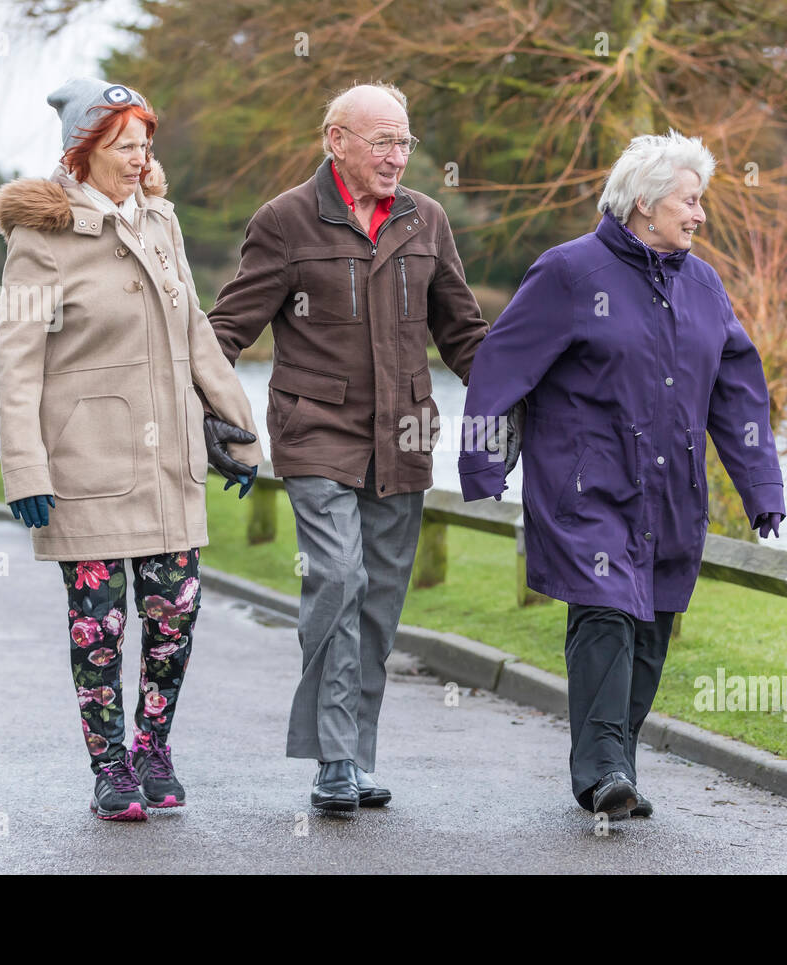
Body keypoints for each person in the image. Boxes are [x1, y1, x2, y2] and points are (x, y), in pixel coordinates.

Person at [458, 131, 786, 821]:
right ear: (644, 201)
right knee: (606, 611)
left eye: (702, 202)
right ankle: (603, 769)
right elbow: (501, 367)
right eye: (689, 201)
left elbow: (738, 390)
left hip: (672, 494)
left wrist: (761, 488)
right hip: (588, 487)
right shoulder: (569, 272)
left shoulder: (703, 284)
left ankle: (619, 762)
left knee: (652, 624)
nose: (700, 215)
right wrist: (486, 462)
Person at [204, 82, 488, 812]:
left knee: (378, 603)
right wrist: (201, 402)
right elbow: (229, 326)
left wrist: (529, 391)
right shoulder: (286, 221)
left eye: (404, 142)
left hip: (405, 437)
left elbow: (461, 331)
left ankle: (355, 755)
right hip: (317, 432)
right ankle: (333, 758)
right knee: (336, 576)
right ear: (337, 140)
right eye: (382, 141)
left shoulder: (426, 219)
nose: (397, 156)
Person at [0, 77, 264, 820]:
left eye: (146, 144)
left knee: (174, 613)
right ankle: (109, 767)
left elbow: (195, 329)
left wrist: (236, 423)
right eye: (123, 147)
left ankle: (153, 745)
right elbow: (15, 360)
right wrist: (24, 466)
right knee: (101, 626)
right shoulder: (40, 238)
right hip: (86, 464)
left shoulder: (161, 221)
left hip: (169, 458)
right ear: (81, 152)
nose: (140, 159)